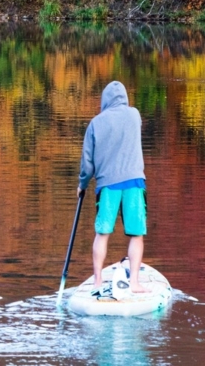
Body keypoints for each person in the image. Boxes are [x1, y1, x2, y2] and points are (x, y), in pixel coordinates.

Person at [77, 80, 147, 295]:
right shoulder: (134, 115)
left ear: (104, 100)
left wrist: (82, 184)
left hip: (107, 184)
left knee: (102, 233)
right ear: (124, 97)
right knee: (136, 234)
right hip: (134, 182)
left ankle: (98, 281)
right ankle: (134, 282)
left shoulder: (95, 124)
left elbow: (87, 162)